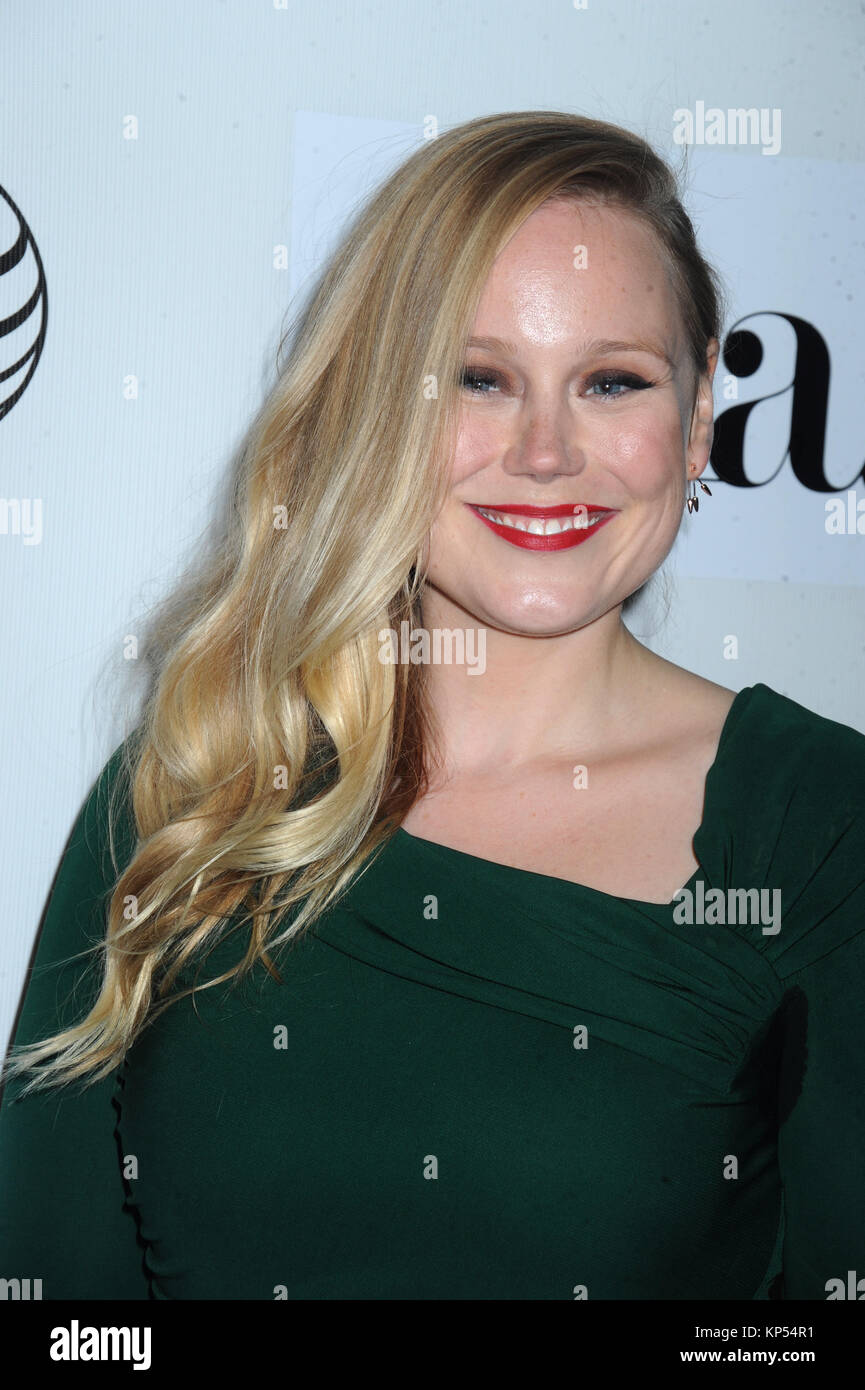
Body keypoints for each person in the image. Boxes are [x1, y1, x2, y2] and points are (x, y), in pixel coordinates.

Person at [1, 110, 863, 1301]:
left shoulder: (819, 825)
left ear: (702, 402)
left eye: (611, 380)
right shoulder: (206, 774)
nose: (546, 451)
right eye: (478, 377)